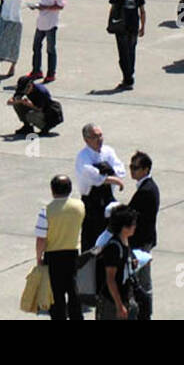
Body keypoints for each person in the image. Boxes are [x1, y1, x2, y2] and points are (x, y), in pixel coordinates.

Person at [34, 174, 85, 320]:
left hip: (53, 256)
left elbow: (41, 239)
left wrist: (39, 258)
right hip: (73, 254)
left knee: (56, 294)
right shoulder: (79, 206)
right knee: (73, 290)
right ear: (69, 189)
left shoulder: (46, 211)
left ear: (52, 190)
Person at [77, 123, 127, 251]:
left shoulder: (108, 151)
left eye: (100, 135)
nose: (99, 139)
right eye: (95, 137)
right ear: (86, 139)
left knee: (111, 233)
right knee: (91, 236)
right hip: (91, 201)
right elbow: (91, 175)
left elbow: (120, 169)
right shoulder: (83, 156)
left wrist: (110, 173)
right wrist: (112, 179)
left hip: (108, 197)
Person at [128, 151, 159, 320]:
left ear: (146, 169)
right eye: (131, 167)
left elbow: (134, 215)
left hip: (141, 241)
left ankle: (145, 314)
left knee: (142, 281)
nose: (132, 171)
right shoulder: (146, 187)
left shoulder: (146, 190)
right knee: (140, 280)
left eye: (136, 168)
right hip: (143, 240)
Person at [96, 205, 139, 321]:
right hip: (112, 303)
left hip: (125, 297)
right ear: (124, 227)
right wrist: (119, 306)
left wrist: (131, 263)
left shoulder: (124, 240)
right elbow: (110, 279)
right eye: (133, 224)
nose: (135, 226)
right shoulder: (114, 248)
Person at [107, 0, 145, 91]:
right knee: (131, 51)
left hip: (121, 26)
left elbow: (113, 8)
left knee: (123, 54)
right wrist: (143, 27)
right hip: (134, 25)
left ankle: (127, 78)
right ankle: (130, 75)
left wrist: (110, 23)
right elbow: (142, 11)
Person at [29, 0, 65, 82]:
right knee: (36, 46)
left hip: (51, 22)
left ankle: (51, 73)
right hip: (41, 21)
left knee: (50, 49)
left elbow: (60, 5)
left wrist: (45, 7)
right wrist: (38, 6)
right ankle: (36, 70)